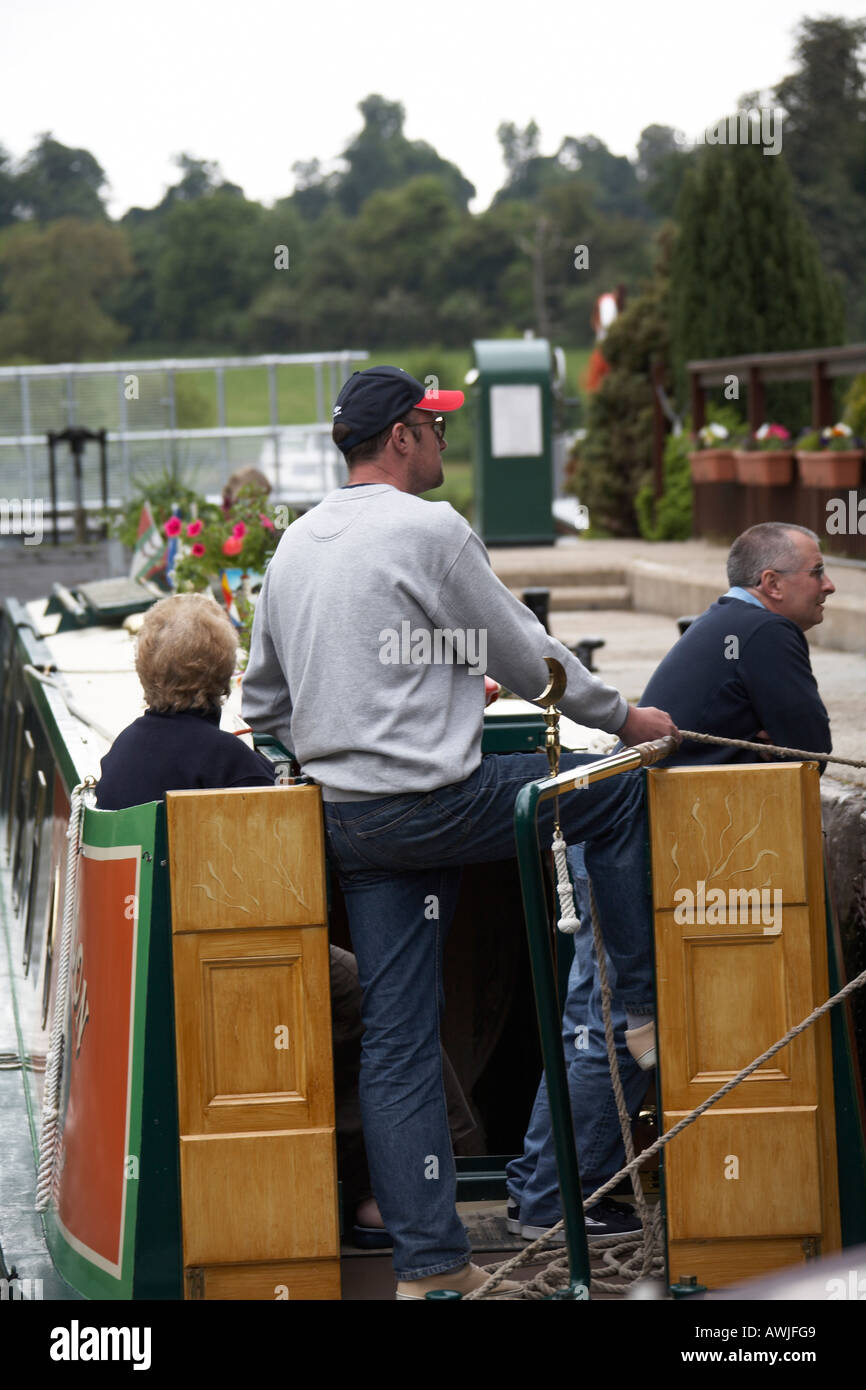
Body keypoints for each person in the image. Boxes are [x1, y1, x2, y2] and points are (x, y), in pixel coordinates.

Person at [241, 364, 679, 1298]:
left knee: (398, 1041)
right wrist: (624, 718)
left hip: (350, 827)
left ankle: (432, 1269)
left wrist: (416, 692)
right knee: (613, 789)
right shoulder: (431, 528)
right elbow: (531, 660)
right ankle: (637, 1005)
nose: (445, 443)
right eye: (435, 428)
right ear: (401, 437)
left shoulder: (294, 542)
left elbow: (266, 701)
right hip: (436, 809)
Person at [96, 593, 476, 1241]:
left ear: (146, 672)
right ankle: (403, 1179)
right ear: (223, 677)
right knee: (380, 1001)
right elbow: (299, 891)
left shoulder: (119, 756)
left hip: (146, 972)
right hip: (237, 974)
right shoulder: (234, 765)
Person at [506, 521, 834, 1242]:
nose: (830, 583)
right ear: (772, 585)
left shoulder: (730, 627)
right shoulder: (768, 634)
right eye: (816, 571)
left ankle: (539, 1187)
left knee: (592, 1024)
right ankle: (556, 1203)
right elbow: (813, 749)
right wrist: (772, 748)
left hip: (612, 841)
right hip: (636, 855)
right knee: (617, 1028)